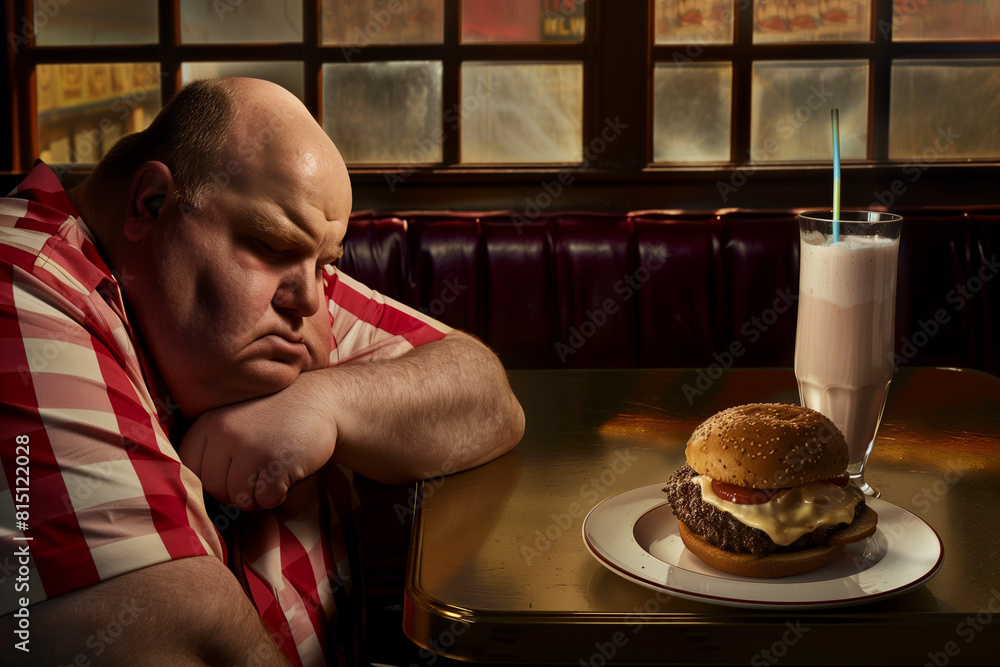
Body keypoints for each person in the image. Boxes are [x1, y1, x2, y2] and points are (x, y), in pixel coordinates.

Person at [0, 77, 524, 666]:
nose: (311, 299)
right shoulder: (21, 283)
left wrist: (325, 403)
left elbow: (488, 397)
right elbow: (177, 631)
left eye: (324, 263)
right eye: (272, 245)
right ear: (151, 204)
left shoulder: (292, 290)